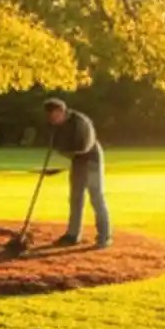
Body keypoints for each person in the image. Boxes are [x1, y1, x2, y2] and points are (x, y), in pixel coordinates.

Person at [44, 97, 112, 249]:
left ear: (62, 111)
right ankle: (73, 234)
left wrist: (64, 155)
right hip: (76, 161)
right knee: (75, 198)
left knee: (96, 196)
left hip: (91, 159)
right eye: (49, 117)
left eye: (54, 116)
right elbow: (55, 145)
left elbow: (84, 146)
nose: (52, 120)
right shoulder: (55, 126)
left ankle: (104, 235)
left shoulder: (80, 122)